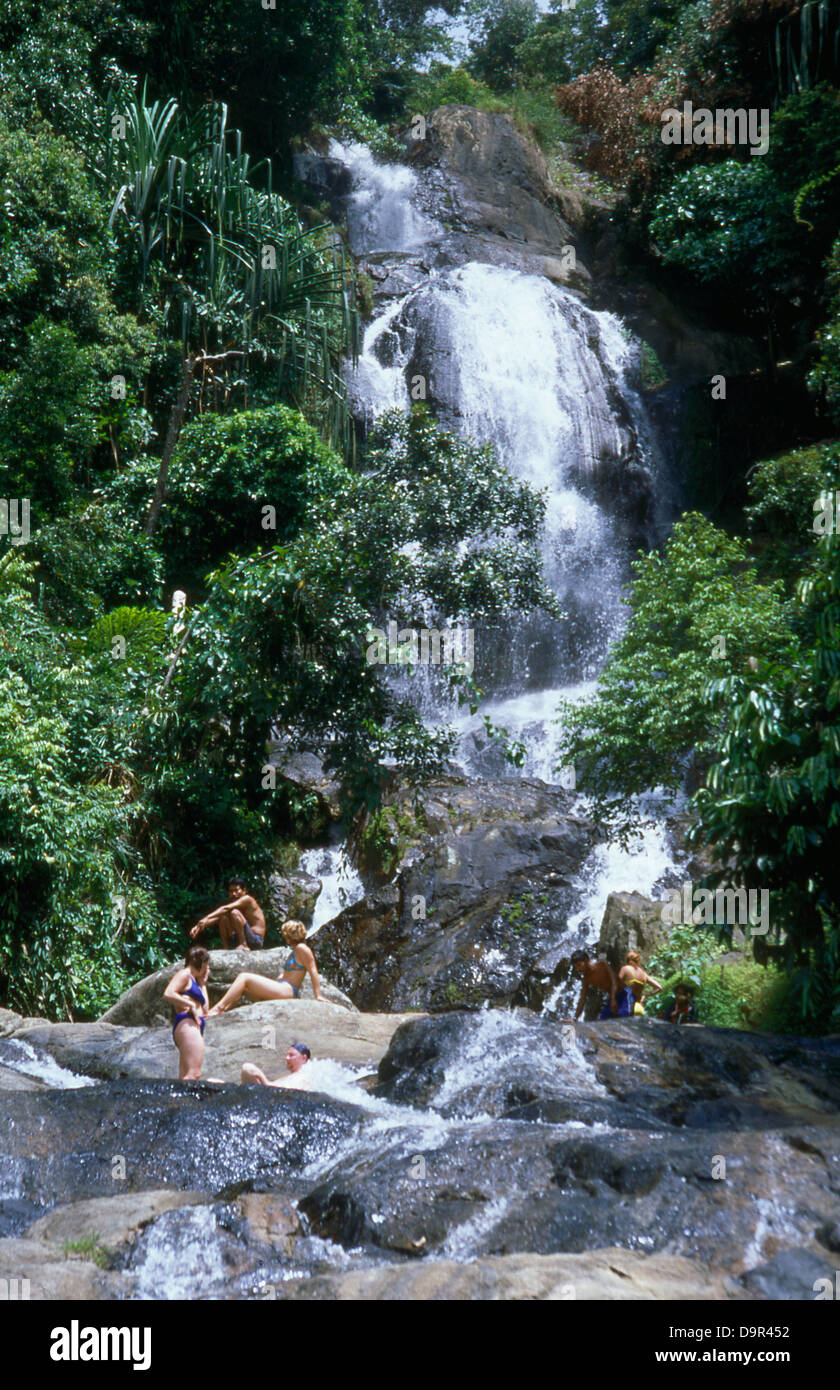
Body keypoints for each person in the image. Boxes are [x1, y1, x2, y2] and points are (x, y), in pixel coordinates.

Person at [207, 919, 323, 1016]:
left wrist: (317, 995)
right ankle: (224, 1011)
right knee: (245, 988)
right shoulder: (295, 950)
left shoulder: (303, 948)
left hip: (287, 990)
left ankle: (218, 1008)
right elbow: (290, 973)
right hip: (282, 987)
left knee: (244, 977)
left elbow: (313, 970)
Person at [164, 945, 210, 1080]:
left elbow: (205, 1009)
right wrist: (190, 1005)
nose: (208, 969)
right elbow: (168, 993)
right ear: (201, 962)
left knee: (185, 1076)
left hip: (194, 1024)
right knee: (193, 1074)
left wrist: (203, 983)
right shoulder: (184, 974)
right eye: (207, 965)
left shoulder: (195, 980)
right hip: (187, 1022)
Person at [190, 878, 267, 951]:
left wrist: (205, 918)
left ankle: (243, 944)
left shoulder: (248, 899)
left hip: (255, 940)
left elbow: (225, 908)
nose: (234, 894)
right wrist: (199, 926)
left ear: (244, 890)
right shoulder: (235, 905)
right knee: (223, 918)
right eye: (231, 891)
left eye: (236, 890)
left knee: (234, 912)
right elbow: (216, 918)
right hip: (238, 938)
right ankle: (227, 948)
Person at [569, 948, 634, 1020]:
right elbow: (582, 999)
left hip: (625, 994)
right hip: (613, 998)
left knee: (625, 1018)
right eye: (576, 967)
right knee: (602, 1021)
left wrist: (612, 999)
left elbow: (614, 981)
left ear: (586, 960)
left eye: (579, 965)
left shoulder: (602, 965)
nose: (578, 969)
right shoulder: (586, 979)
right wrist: (575, 1018)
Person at [240, 1042, 312, 1090]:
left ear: (303, 1058)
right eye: (287, 1055)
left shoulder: (305, 1076)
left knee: (248, 1068)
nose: (287, 1058)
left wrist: (266, 1083)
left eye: (291, 1055)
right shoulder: (288, 1077)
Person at [618, 949, 663, 1016]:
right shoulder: (643, 974)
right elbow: (659, 987)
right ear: (638, 960)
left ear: (627, 960)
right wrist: (645, 996)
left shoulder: (625, 969)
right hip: (639, 1008)